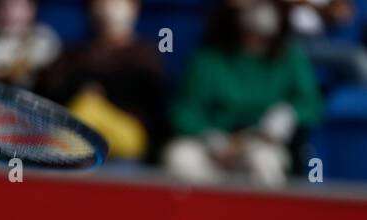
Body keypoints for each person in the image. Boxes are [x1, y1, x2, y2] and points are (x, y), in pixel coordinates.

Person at [164, 0, 321, 187]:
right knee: (180, 157)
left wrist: (289, 113)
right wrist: (207, 136)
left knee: (265, 161)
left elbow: (311, 102)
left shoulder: (291, 61)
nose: (261, 10)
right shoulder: (209, 60)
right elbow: (184, 110)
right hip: (212, 145)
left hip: (260, 144)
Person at [35, 0, 171, 162]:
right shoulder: (77, 52)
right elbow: (55, 89)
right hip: (83, 127)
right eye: (102, 3)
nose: (109, 10)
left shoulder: (146, 54)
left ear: (134, 8)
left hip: (130, 134)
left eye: (117, 3)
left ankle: (53, 156)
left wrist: (99, 91)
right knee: (84, 107)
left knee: (87, 106)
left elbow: (148, 96)